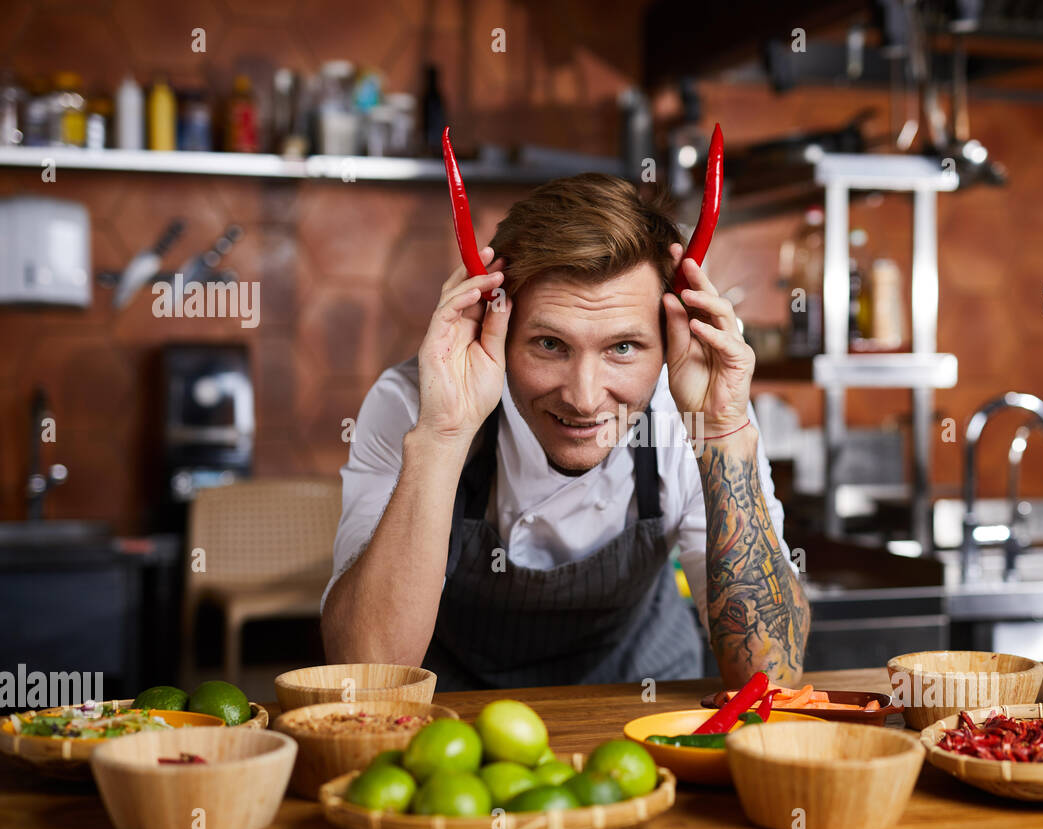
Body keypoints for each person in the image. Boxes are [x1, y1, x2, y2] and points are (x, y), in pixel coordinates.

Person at [321, 173, 809, 690]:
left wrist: (722, 434)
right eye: (550, 344)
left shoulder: (695, 410)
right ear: (498, 328)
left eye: (623, 348)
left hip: (642, 714)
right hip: (455, 731)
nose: (584, 396)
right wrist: (443, 435)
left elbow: (771, 678)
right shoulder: (413, 406)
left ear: (669, 341)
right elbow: (364, 676)